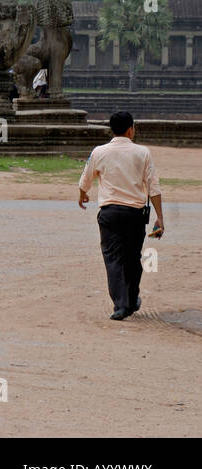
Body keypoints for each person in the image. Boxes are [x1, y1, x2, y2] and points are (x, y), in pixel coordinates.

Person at [78, 111, 164, 320]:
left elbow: (85, 178)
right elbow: (153, 187)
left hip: (110, 213)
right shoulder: (142, 152)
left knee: (113, 258)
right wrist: (160, 218)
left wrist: (83, 195)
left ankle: (121, 304)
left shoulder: (99, 152)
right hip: (134, 214)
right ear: (129, 130)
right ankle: (131, 299)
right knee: (133, 258)